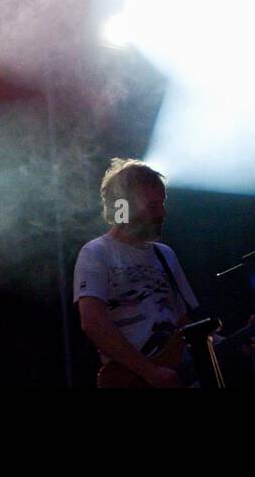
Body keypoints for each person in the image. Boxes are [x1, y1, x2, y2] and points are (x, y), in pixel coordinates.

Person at [73, 159, 198, 388]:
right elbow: (92, 322)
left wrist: (240, 341)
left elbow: (187, 325)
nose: (162, 212)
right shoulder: (96, 252)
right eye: (152, 206)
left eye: (162, 203)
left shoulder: (165, 255)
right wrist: (150, 372)